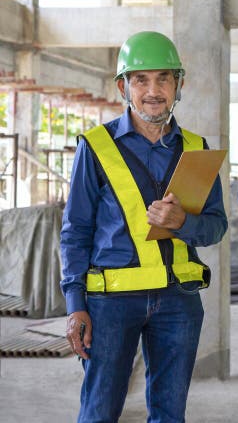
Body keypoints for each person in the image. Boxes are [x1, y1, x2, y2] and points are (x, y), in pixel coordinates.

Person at [60, 31, 228, 423]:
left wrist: (183, 223)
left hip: (179, 301)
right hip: (110, 304)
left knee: (170, 414)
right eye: (141, 79)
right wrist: (75, 304)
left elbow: (216, 227)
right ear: (123, 86)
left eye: (164, 79)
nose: (153, 90)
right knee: (99, 410)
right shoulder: (96, 146)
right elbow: (76, 230)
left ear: (179, 85)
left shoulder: (197, 149)